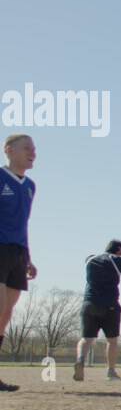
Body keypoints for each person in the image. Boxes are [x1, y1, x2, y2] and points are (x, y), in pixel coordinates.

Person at [0, 134, 39, 392]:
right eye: (27, 148)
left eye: (34, 149)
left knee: (5, 314)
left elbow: (23, 224)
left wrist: (28, 256)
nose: (33, 152)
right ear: (9, 150)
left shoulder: (30, 186)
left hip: (17, 253)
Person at [73, 240, 121, 381]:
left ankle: (80, 360)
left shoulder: (90, 259)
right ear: (119, 249)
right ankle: (111, 371)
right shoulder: (117, 260)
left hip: (89, 303)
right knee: (112, 340)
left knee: (86, 339)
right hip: (109, 305)